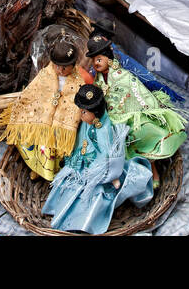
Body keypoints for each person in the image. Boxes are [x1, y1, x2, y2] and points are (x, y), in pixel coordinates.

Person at [42, 83, 154, 233]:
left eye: (84, 112)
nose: (81, 116)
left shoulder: (103, 130)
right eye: (81, 111)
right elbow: (80, 142)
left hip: (98, 169)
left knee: (92, 195)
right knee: (66, 182)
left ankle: (80, 222)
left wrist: (107, 175)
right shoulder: (87, 123)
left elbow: (106, 156)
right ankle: (58, 209)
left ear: (95, 112)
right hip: (83, 163)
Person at [84, 32, 186, 177]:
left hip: (131, 118)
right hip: (111, 122)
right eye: (94, 60)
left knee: (142, 138)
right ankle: (126, 176)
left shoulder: (125, 77)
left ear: (109, 58)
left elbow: (139, 93)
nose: (96, 63)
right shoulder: (97, 81)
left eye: (99, 59)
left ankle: (152, 171)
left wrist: (150, 109)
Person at [0, 38, 87, 180]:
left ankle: (50, 173)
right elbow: (33, 92)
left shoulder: (78, 82)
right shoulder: (46, 74)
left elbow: (75, 106)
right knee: (30, 142)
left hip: (60, 126)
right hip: (41, 118)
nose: (61, 70)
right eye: (57, 66)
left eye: (65, 67)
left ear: (73, 65)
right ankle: (36, 168)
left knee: (51, 149)